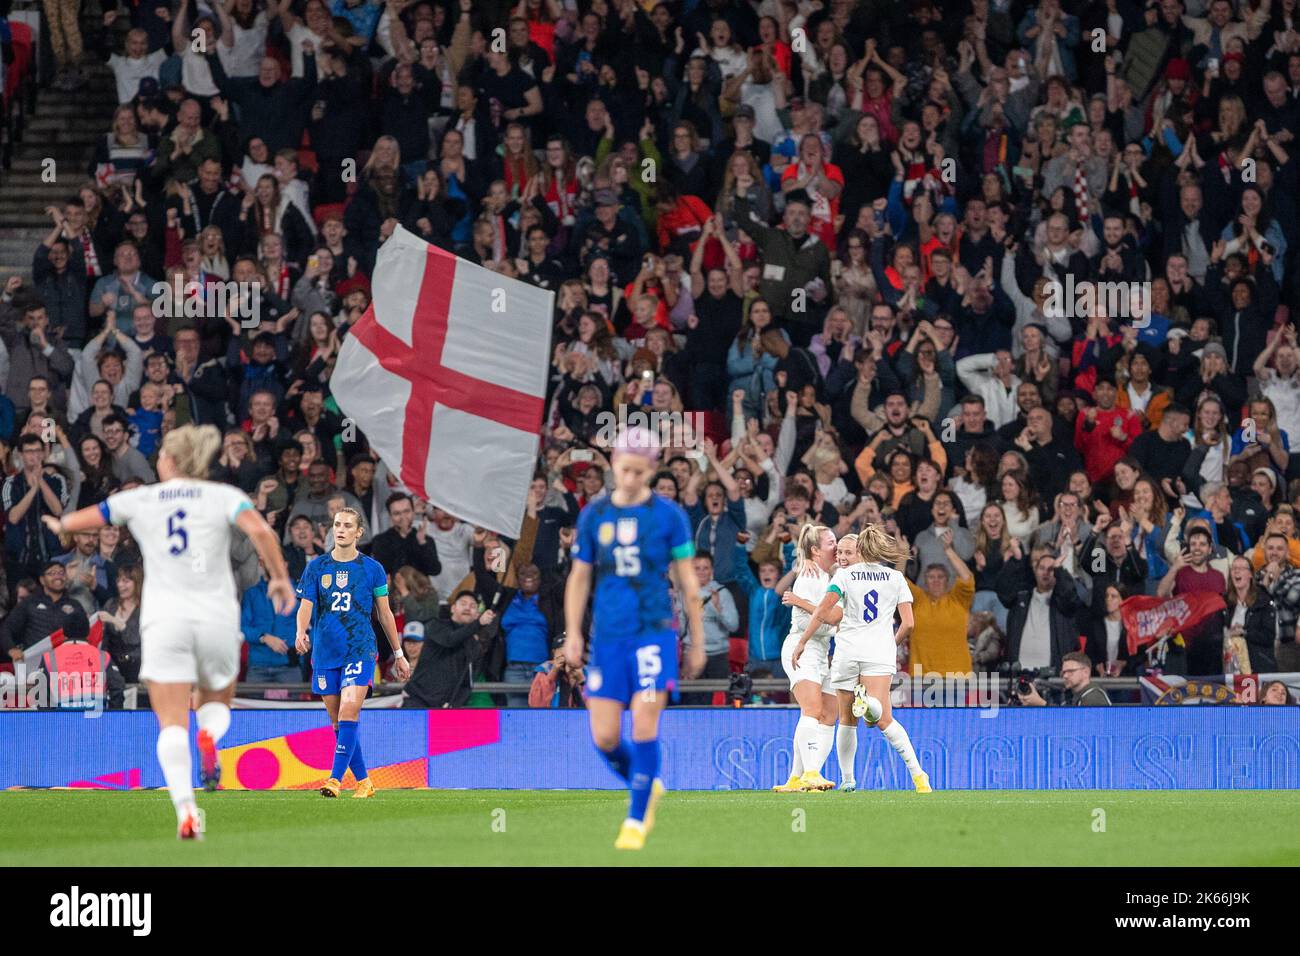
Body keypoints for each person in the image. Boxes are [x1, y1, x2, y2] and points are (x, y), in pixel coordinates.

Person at [41, 425, 293, 839]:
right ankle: (210, 734)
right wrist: (279, 577)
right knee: (217, 702)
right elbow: (262, 531)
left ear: (170, 461)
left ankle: (187, 811)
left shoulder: (140, 498)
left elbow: (86, 519)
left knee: (171, 723)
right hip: (215, 616)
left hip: (164, 619)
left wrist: (61, 523)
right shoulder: (224, 496)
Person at [563, 427, 706, 851]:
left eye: (639, 472)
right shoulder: (594, 515)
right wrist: (573, 634)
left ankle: (635, 819)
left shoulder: (668, 516)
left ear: (652, 469)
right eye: (624, 469)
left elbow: (687, 582)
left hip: (653, 633)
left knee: (645, 722)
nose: (630, 478)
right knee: (604, 737)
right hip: (607, 638)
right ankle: (646, 784)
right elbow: (579, 577)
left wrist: (696, 640)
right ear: (612, 462)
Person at [794, 525, 930, 794]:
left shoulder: (845, 576)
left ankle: (848, 780)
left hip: (847, 651)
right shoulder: (895, 578)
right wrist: (890, 645)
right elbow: (909, 624)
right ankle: (919, 776)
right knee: (883, 719)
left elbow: (822, 611)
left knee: (845, 719)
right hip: (878, 652)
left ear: (861, 550)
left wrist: (802, 641)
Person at [293, 507, 407, 798]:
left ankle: (334, 779)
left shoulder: (372, 569)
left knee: (348, 710)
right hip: (325, 652)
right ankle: (365, 782)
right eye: (336, 524)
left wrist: (399, 652)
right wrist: (301, 631)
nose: (340, 529)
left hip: (360, 649)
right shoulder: (316, 568)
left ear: (359, 532)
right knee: (339, 723)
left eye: (347, 525)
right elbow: (306, 605)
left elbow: (384, 613)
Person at [772, 524, 841, 792]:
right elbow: (818, 623)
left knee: (828, 714)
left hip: (822, 651)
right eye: (831, 542)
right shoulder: (810, 577)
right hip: (802, 648)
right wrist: (823, 614)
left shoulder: (826, 576)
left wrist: (803, 602)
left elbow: (829, 621)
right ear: (815, 550)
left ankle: (797, 777)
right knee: (812, 709)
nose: (835, 547)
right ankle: (811, 772)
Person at [1017, 651, 1112, 705]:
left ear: (1086, 672)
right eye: (1063, 672)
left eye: (1071, 671)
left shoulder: (1093, 696)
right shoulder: (1072, 695)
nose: (1065, 676)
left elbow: (1073, 726)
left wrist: (1041, 703)